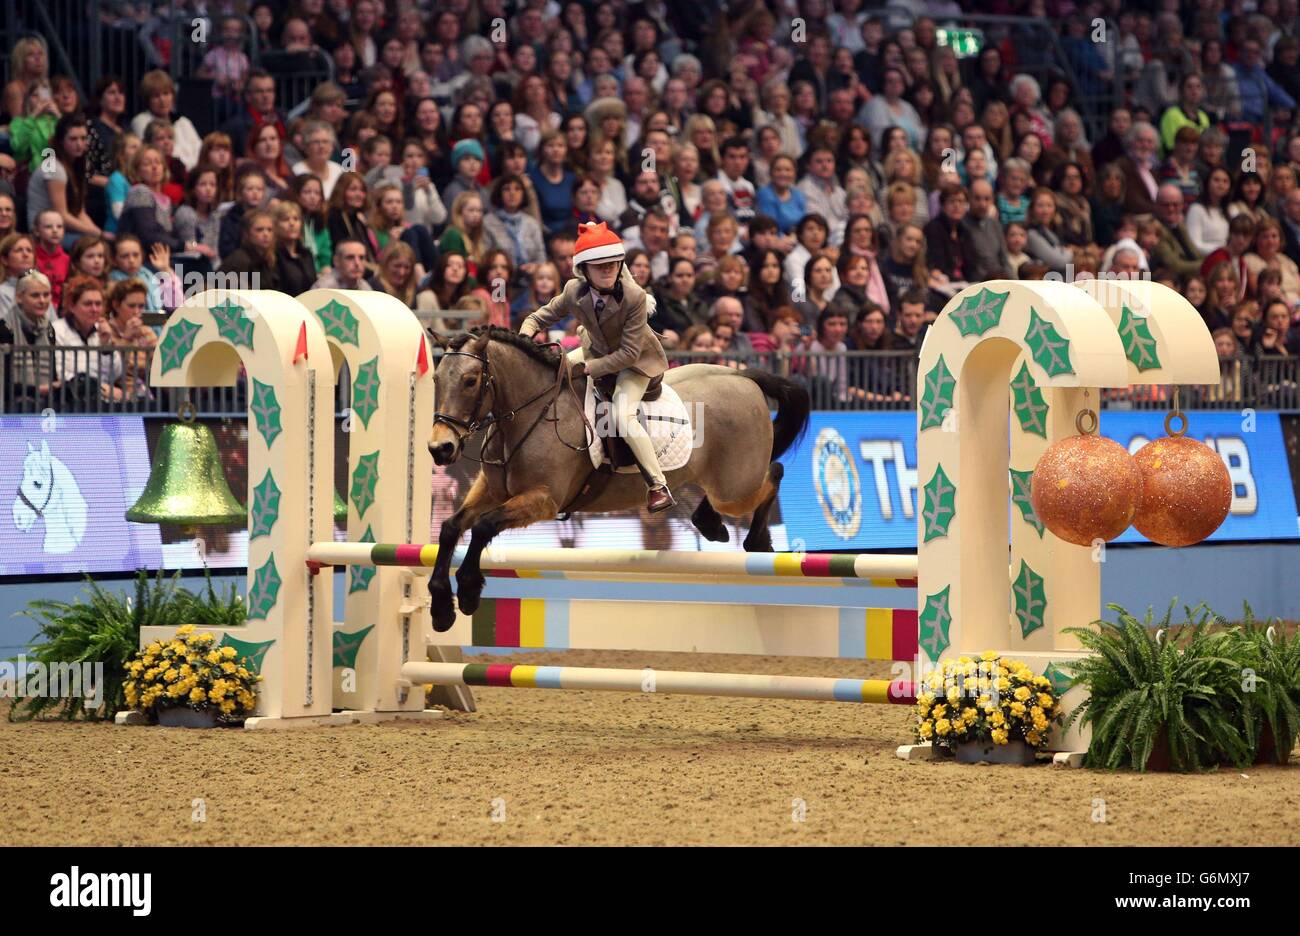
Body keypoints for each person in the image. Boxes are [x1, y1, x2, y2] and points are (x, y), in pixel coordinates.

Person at [518, 221, 674, 512]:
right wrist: (524, 339)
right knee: (553, 375)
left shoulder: (634, 297)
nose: (608, 270)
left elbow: (628, 353)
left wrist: (591, 369)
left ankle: (657, 484)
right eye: (599, 266)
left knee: (622, 413)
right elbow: (538, 318)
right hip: (596, 349)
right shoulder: (573, 290)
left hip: (636, 363)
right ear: (583, 270)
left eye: (613, 265)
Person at [1, 270, 57, 406]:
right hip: (10, 404)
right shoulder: (4, 329)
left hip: (42, 402)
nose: (42, 301)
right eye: (35, 295)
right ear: (19, 297)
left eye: (46, 295)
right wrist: (34, 390)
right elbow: (3, 380)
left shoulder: (49, 329)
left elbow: (52, 374)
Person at [129, 71, 202, 171]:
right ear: (147, 99)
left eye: (166, 93)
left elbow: (201, 152)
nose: (162, 100)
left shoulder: (184, 122)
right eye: (156, 96)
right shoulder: (141, 121)